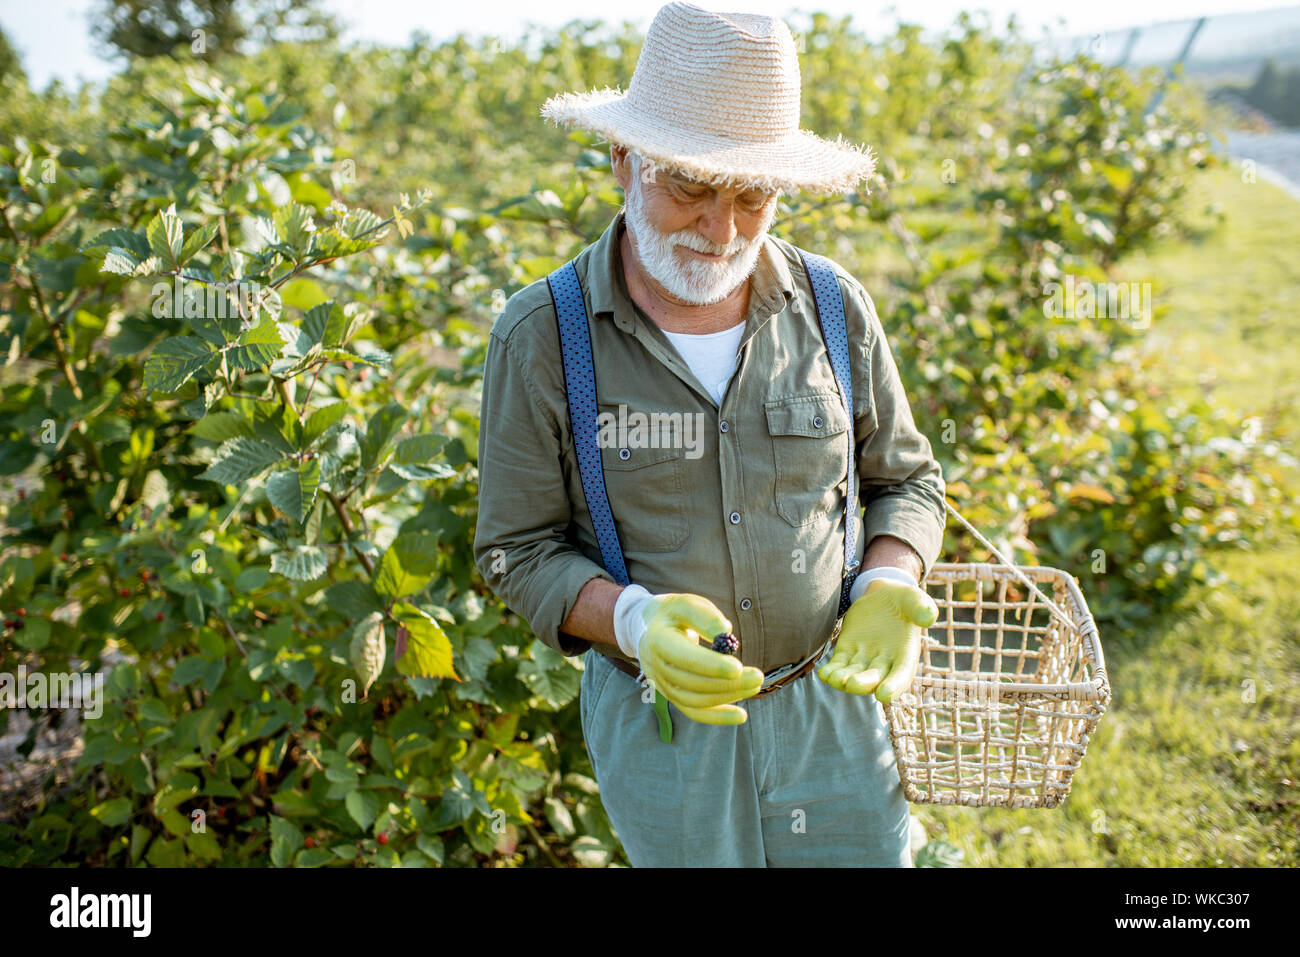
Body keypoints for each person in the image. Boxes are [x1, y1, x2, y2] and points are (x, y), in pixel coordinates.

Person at [474, 1, 946, 867]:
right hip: (663, 727)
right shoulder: (542, 333)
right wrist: (633, 618)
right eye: (689, 184)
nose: (720, 227)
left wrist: (886, 579)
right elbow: (515, 548)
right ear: (624, 159)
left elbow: (905, 480)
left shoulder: (833, 307)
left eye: (753, 194)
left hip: (831, 706)